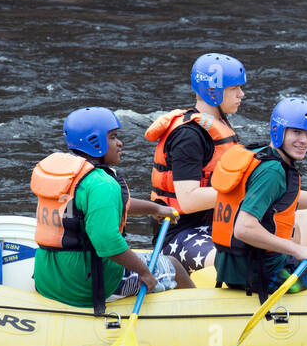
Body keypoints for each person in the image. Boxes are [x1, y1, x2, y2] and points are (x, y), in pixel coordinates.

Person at [32, 107, 193, 312]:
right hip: (86, 283)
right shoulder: (101, 184)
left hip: (49, 277)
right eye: (113, 137)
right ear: (95, 141)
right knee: (173, 265)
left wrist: (157, 209)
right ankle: (199, 317)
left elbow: (104, 208)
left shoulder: (68, 177)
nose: (120, 143)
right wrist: (144, 272)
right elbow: (107, 241)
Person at [212, 97, 307, 298]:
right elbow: (244, 228)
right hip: (269, 276)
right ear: (278, 130)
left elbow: (289, 198)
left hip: (233, 270)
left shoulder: (259, 154)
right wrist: (297, 250)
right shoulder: (273, 171)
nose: (304, 140)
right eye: (296, 131)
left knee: (298, 229)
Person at [145, 52, 245, 273]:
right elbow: (188, 200)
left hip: (218, 224)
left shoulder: (219, 124)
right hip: (179, 236)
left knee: (301, 219)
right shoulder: (188, 136)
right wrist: (247, 192)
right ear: (213, 91)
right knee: (233, 260)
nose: (242, 94)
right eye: (234, 89)